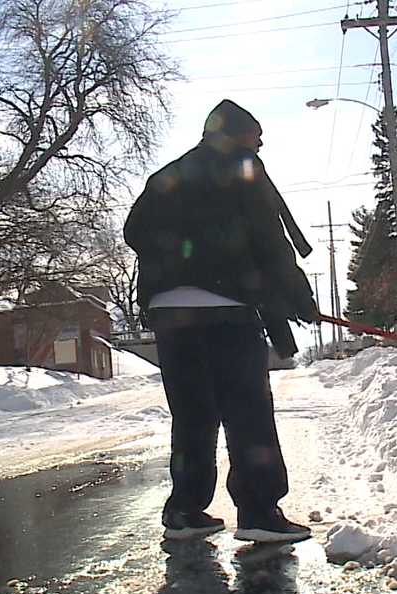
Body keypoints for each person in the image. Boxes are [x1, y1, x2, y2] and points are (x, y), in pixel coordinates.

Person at [124, 99, 319, 543]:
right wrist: (297, 297)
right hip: (226, 310)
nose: (262, 143)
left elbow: (133, 231)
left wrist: (178, 259)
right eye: (257, 135)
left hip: (170, 312)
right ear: (237, 135)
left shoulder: (168, 175)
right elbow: (271, 241)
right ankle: (258, 512)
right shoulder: (244, 170)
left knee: (193, 413)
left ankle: (186, 511)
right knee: (247, 411)